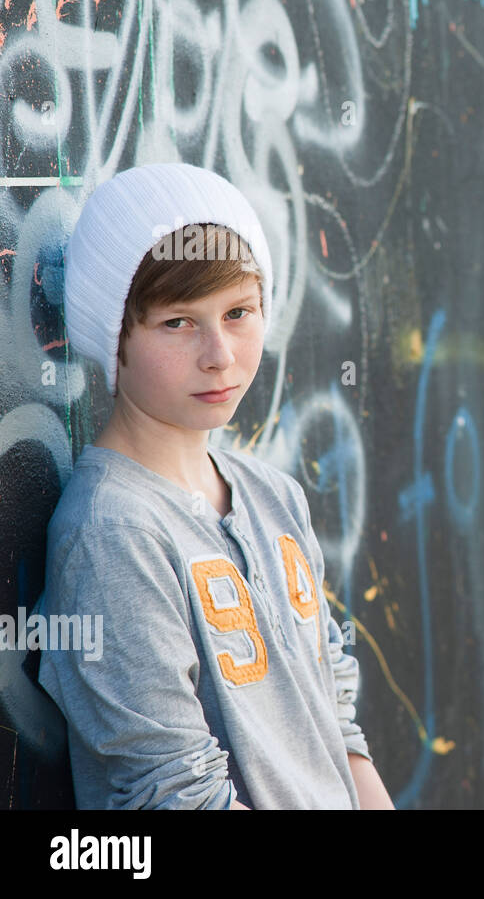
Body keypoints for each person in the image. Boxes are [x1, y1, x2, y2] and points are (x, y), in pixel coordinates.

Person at [37, 162, 393, 809]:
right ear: (111, 333)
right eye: (177, 323)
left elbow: (334, 723)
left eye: (238, 313)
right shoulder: (113, 533)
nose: (219, 354)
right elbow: (175, 791)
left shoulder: (272, 495)